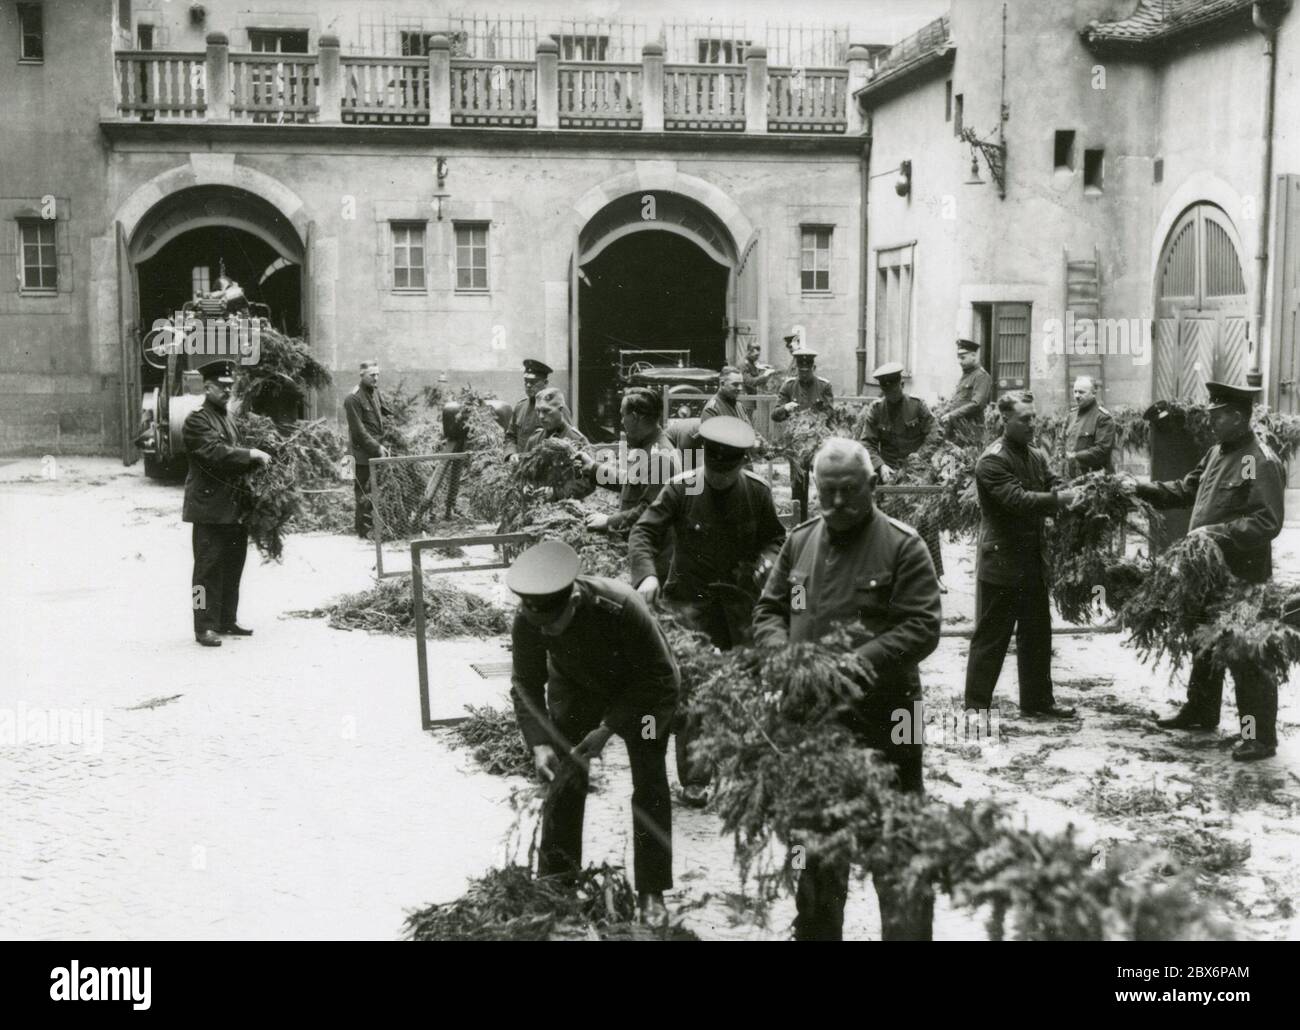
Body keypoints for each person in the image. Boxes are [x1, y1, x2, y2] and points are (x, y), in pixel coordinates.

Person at [753, 438, 942, 941]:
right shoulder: (800, 543)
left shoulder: (904, 545)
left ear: (872, 486)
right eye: (826, 491)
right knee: (814, 842)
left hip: (890, 717)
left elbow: (921, 626)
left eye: (849, 491)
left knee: (897, 839)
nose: (837, 503)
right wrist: (782, 655)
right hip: (812, 718)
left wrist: (851, 666)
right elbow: (773, 608)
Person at [507, 541, 679, 923]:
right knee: (564, 774)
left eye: (553, 624)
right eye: (539, 624)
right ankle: (556, 884)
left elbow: (662, 678)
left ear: (572, 602)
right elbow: (525, 683)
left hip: (645, 695)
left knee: (650, 778)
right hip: (577, 688)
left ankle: (652, 891)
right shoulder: (530, 620)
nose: (545, 631)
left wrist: (608, 730)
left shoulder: (622, 606)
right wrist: (538, 744)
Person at [1119, 380, 1285, 761]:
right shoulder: (1215, 453)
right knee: (1203, 641)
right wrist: (1140, 489)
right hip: (1206, 572)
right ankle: (1201, 711)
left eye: (1218, 416)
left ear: (1239, 418)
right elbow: (1185, 489)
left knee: (1245, 655)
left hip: (1242, 577)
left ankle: (1257, 735)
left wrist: (1216, 532)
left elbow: (1267, 521)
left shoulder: (1256, 459)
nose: (1211, 423)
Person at [628, 416, 786, 807]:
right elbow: (643, 532)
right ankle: (696, 778)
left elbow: (776, 539)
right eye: (713, 468)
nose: (718, 477)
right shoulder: (685, 487)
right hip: (689, 608)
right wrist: (647, 576)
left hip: (738, 609)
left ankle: (747, 776)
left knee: (745, 689)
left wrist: (767, 561)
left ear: (741, 464)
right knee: (695, 689)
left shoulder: (756, 492)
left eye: (727, 470)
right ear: (705, 460)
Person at [964, 391, 1079, 718]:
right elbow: (1018, 500)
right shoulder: (992, 460)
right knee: (991, 641)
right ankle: (976, 711)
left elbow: (1052, 481)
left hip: (1031, 561)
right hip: (1001, 564)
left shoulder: (1036, 453)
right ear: (1005, 420)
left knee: (1037, 636)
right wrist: (1060, 499)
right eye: (1025, 419)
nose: (1032, 424)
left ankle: (1038, 702)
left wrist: (1072, 489)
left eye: (1033, 417)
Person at [182, 360, 271, 647]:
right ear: (206, 387)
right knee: (205, 571)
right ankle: (202, 626)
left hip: (233, 507)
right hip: (209, 509)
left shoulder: (227, 417)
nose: (227, 392)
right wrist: (251, 455)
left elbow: (233, 452)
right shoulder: (197, 419)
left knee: (233, 567)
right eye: (222, 387)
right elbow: (214, 453)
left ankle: (225, 620)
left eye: (230, 387)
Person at [575, 387, 681, 581]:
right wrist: (593, 468)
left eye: (623, 416)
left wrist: (608, 521)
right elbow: (632, 482)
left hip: (653, 562)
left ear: (635, 417)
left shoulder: (659, 457)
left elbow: (649, 510)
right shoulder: (650, 448)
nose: (622, 422)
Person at [858, 361, 947, 589]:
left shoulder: (918, 406)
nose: (891, 393)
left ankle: (934, 575)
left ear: (901, 384)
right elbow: (866, 443)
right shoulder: (877, 410)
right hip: (890, 476)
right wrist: (880, 466)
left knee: (927, 521)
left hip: (918, 475)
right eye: (886, 389)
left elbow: (936, 433)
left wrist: (919, 456)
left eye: (894, 387)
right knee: (887, 523)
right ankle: (890, 574)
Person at [771, 346, 835, 520]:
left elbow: (830, 413)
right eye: (801, 369)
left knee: (824, 481)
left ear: (813, 368)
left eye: (807, 369)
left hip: (818, 445)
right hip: (797, 448)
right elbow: (775, 415)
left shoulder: (824, 386)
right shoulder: (789, 386)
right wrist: (785, 408)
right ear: (796, 368)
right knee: (798, 488)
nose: (804, 373)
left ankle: (827, 519)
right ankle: (800, 523)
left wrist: (813, 423)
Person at [342, 360, 391, 539]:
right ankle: (364, 532)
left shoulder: (375, 393)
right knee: (363, 492)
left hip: (375, 451)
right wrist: (377, 447)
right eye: (372, 375)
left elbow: (383, 414)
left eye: (378, 374)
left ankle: (371, 527)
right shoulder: (353, 399)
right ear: (362, 375)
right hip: (360, 454)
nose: (376, 378)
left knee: (374, 489)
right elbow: (358, 431)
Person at [523, 386, 595, 500]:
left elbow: (587, 483)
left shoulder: (577, 440)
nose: (541, 416)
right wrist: (526, 487)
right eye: (538, 411)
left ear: (560, 409)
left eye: (547, 411)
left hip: (567, 507)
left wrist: (556, 493)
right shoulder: (534, 440)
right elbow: (524, 473)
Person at [936, 338, 993, 439]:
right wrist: (942, 413)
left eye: (963, 358)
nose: (959, 361)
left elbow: (977, 404)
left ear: (973, 356)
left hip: (971, 429)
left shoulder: (981, 376)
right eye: (958, 358)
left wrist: (951, 415)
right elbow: (957, 400)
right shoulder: (966, 375)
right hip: (957, 427)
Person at [1062, 374, 1116, 478]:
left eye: (1081, 392)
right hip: (1071, 476)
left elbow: (1101, 450)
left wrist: (1075, 456)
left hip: (1096, 479)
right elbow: (1061, 440)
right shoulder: (1071, 415)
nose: (1077, 396)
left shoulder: (1103, 418)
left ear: (1093, 393)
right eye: (1075, 391)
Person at [505, 359, 552, 457]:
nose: (528, 385)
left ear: (545, 383)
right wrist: (511, 454)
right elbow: (510, 436)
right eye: (526, 381)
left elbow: (562, 443)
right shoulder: (520, 407)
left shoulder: (555, 409)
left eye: (533, 382)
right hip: (518, 465)